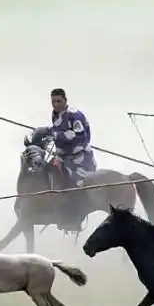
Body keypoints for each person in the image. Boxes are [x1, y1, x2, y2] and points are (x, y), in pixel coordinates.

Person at [33, 88, 96, 232]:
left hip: (79, 157)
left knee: (72, 184)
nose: (55, 104)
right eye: (53, 101)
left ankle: (74, 219)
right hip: (63, 155)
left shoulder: (76, 115)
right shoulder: (55, 115)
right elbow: (57, 131)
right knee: (47, 170)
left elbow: (79, 136)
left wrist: (55, 134)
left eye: (58, 101)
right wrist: (47, 131)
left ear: (65, 100)